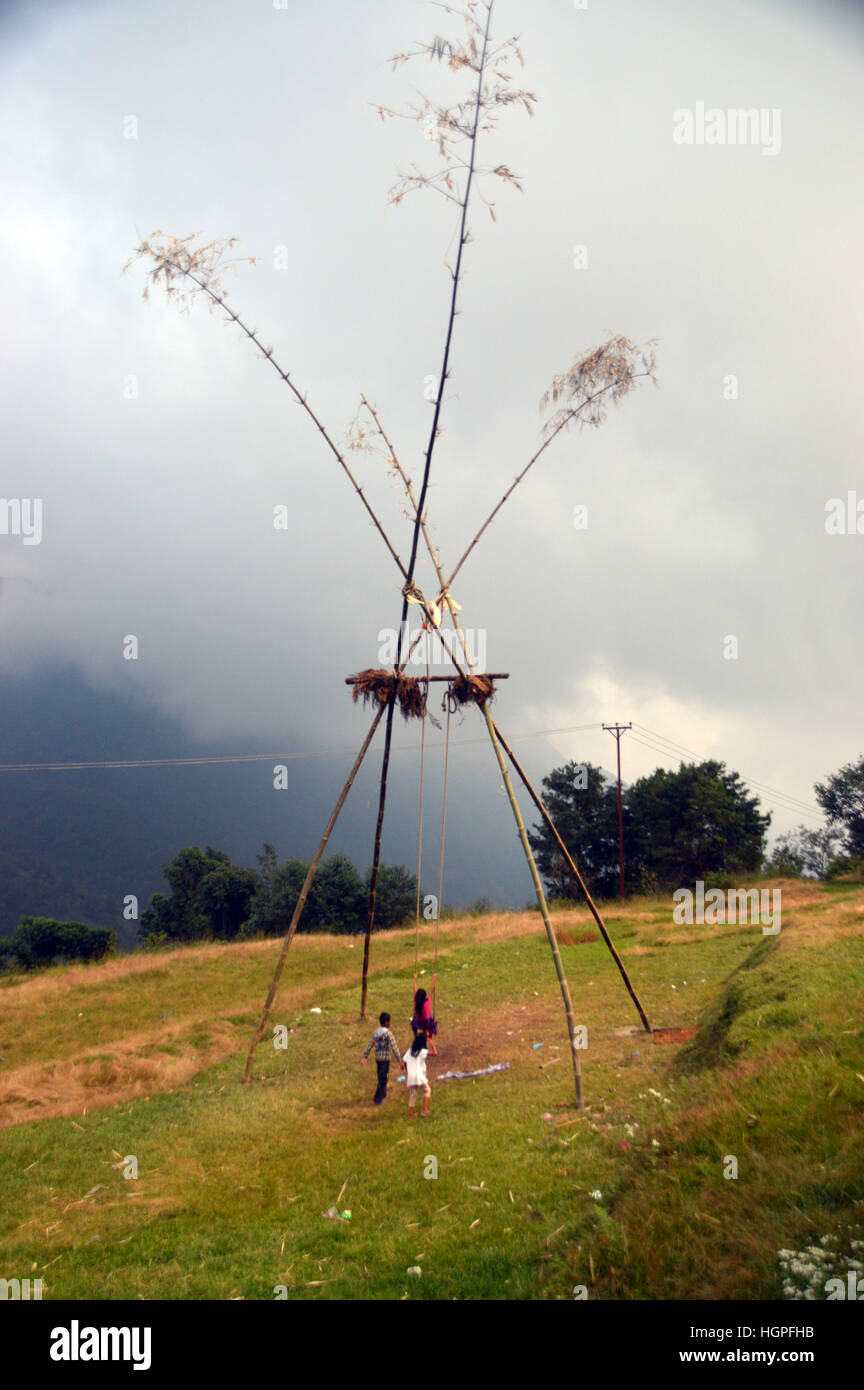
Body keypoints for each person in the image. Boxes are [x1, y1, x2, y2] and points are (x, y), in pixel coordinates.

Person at [361, 1011, 404, 1106]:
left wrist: (365, 1056)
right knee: (383, 1079)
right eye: (390, 1021)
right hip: (385, 1059)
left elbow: (370, 1045)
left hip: (378, 1059)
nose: (390, 1023)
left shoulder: (375, 1033)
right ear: (386, 1022)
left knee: (381, 1077)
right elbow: (394, 1047)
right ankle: (378, 1099)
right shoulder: (388, 1034)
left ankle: (383, 1094)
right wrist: (399, 1060)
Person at [403, 1030, 431, 1117]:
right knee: (427, 1090)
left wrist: (407, 1071)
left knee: (413, 1094)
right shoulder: (422, 1052)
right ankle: (424, 1110)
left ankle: (410, 1112)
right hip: (419, 1076)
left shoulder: (409, 1051)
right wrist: (432, 1043)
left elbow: (404, 1061)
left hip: (411, 1076)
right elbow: (435, 1053)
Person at [411, 987, 438, 1053]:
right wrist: (434, 980)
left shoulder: (415, 1003)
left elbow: (415, 991)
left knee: (414, 1023)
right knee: (428, 1031)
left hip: (418, 1022)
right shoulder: (427, 1003)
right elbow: (431, 992)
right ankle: (431, 1044)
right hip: (426, 1022)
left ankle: (416, 1038)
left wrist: (414, 980)